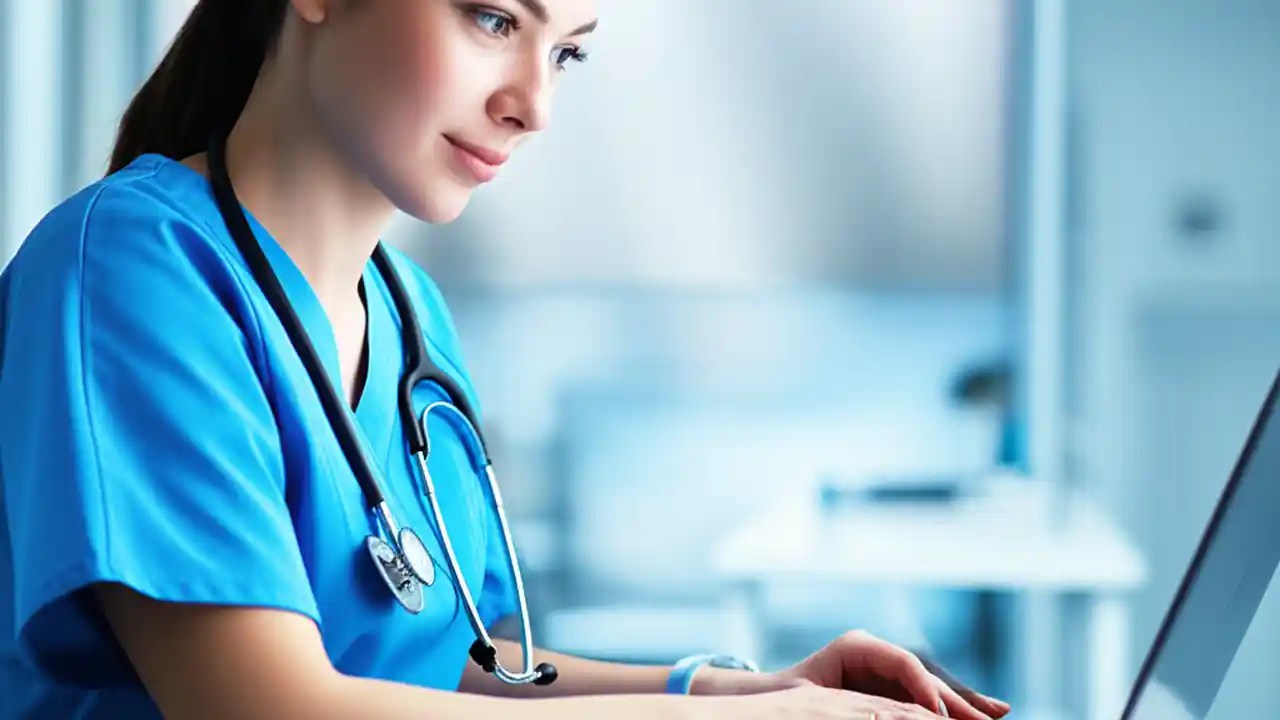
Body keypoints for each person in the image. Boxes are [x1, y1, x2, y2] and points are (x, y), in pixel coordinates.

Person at [0, 1, 1014, 718]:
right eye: (493, 21)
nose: (534, 104)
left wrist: (749, 688)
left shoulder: (410, 315)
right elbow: (264, 706)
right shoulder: (130, 269)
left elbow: (462, 668)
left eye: (567, 52)